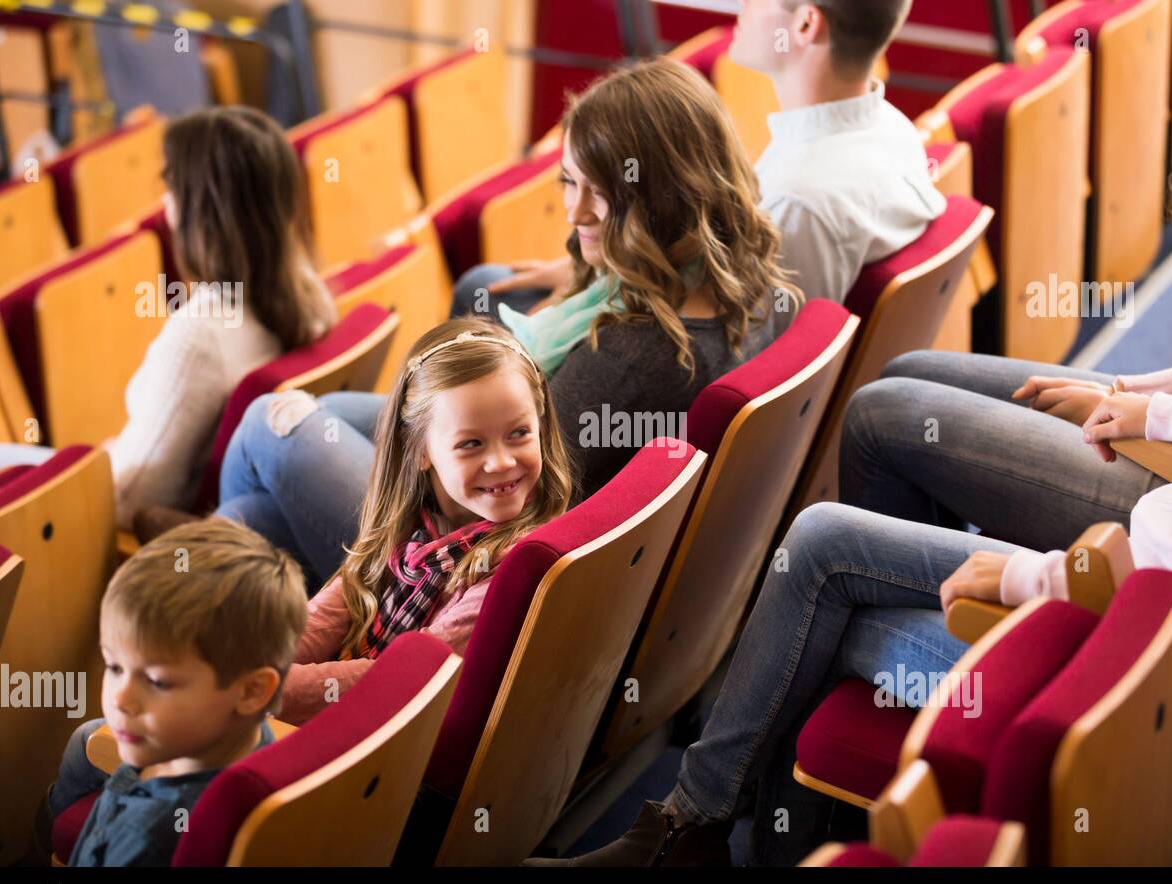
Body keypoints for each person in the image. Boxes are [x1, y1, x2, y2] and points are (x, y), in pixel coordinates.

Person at [528, 125, 1172, 866]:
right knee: (817, 598)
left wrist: (1034, 579)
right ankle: (750, 830)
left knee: (816, 589)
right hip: (1113, 600)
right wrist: (1154, 407)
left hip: (1098, 657)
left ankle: (698, 827)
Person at [212, 59, 796, 588]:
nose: (575, 211)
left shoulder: (634, 359)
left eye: (603, 193)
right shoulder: (746, 281)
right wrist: (595, 269)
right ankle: (249, 568)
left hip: (458, 558)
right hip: (519, 516)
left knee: (271, 420)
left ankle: (275, 598)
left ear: (667, 196)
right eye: (571, 181)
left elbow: (489, 495)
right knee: (271, 496)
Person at [470, 0, 943, 335]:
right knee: (495, 282)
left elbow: (761, 352)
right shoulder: (892, 128)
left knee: (481, 289)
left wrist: (581, 296)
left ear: (804, 25)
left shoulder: (797, 201)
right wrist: (603, 267)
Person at [0, 106, 336, 529]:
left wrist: (101, 462)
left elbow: (127, 501)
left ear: (201, 210)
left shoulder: (200, 335)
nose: (165, 204)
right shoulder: (305, 288)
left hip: (129, 531)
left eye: (172, 189)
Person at [276, 321, 573, 724]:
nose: (502, 462)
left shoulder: (512, 564)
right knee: (254, 512)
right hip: (377, 712)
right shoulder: (417, 520)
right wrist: (257, 663)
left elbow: (407, 679)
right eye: (472, 443)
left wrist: (260, 691)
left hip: (408, 741)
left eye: (519, 433)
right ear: (418, 451)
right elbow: (341, 600)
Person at [43, 519, 306, 866]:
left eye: (157, 682)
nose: (120, 699)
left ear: (252, 691)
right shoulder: (245, 736)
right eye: (114, 667)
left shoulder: (145, 840)